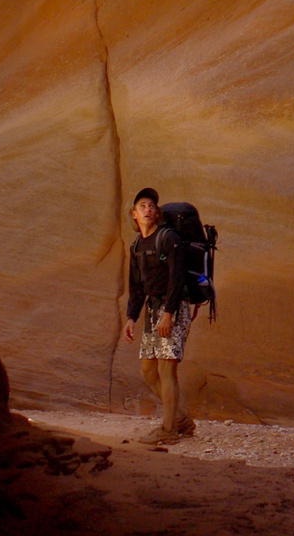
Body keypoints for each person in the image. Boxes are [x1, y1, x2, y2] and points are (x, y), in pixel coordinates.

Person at [121, 186, 196, 443]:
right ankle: (181, 419)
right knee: (147, 371)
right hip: (153, 310)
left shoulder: (168, 238)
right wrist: (131, 317)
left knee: (166, 369)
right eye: (142, 205)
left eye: (152, 205)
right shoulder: (136, 247)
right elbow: (136, 286)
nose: (148, 209)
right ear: (133, 214)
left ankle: (168, 431)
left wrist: (169, 314)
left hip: (173, 309)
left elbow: (177, 278)